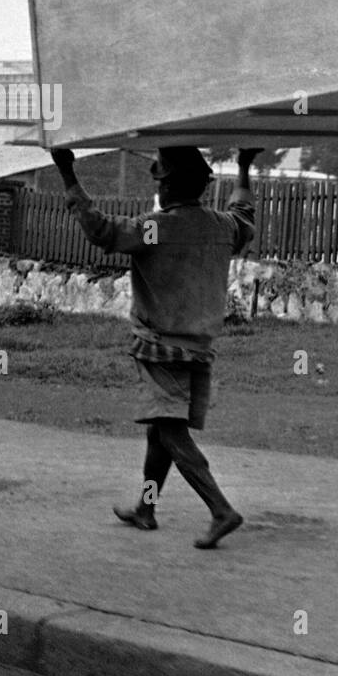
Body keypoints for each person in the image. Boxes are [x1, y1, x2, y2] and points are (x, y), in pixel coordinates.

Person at [49, 145, 261, 549]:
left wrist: (67, 171)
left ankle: (221, 509)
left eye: (158, 178)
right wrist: (245, 168)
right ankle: (146, 509)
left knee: (169, 430)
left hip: (160, 348)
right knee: (158, 433)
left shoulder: (155, 227)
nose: (156, 185)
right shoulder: (221, 227)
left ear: (170, 184)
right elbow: (244, 215)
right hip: (199, 348)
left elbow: (99, 229)